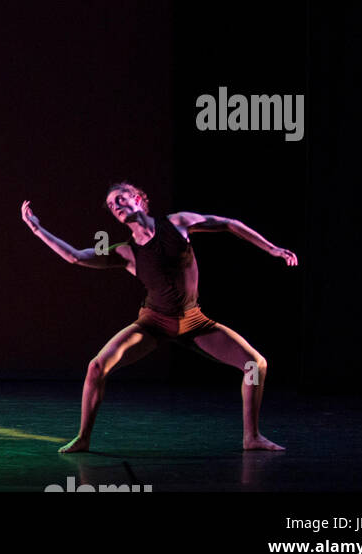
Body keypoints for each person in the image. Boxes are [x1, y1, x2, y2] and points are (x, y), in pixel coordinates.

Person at [22, 183, 297, 452]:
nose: (115, 206)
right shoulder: (125, 251)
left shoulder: (177, 223)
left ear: (139, 199)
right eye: (110, 206)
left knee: (255, 364)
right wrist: (36, 228)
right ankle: (83, 438)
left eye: (120, 198)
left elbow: (228, 223)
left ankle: (252, 437)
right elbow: (76, 257)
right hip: (153, 322)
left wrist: (271, 248)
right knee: (97, 367)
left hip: (194, 321)